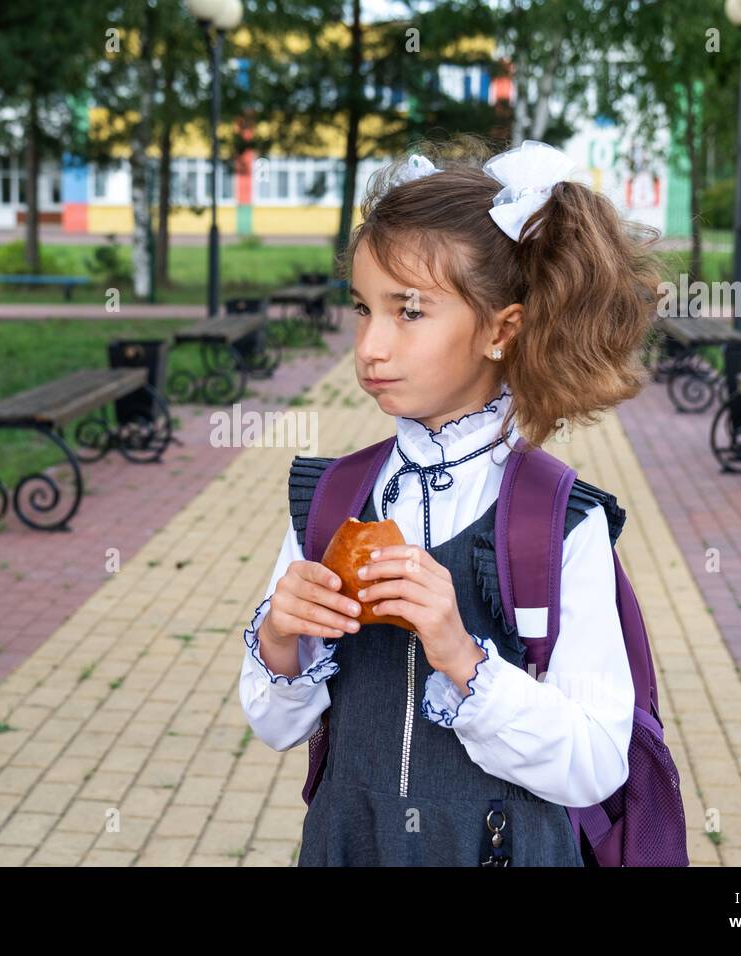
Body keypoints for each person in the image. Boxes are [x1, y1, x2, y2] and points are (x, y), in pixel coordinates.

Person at [238, 136, 661, 866]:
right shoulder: (330, 498)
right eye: (362, 309)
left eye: (408, 312)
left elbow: (595, 761)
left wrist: (464, 658)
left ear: (503, 329)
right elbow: (277, 727)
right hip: (349, 845)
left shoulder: (559, 521)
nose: (369, 346)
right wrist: (280, 640)